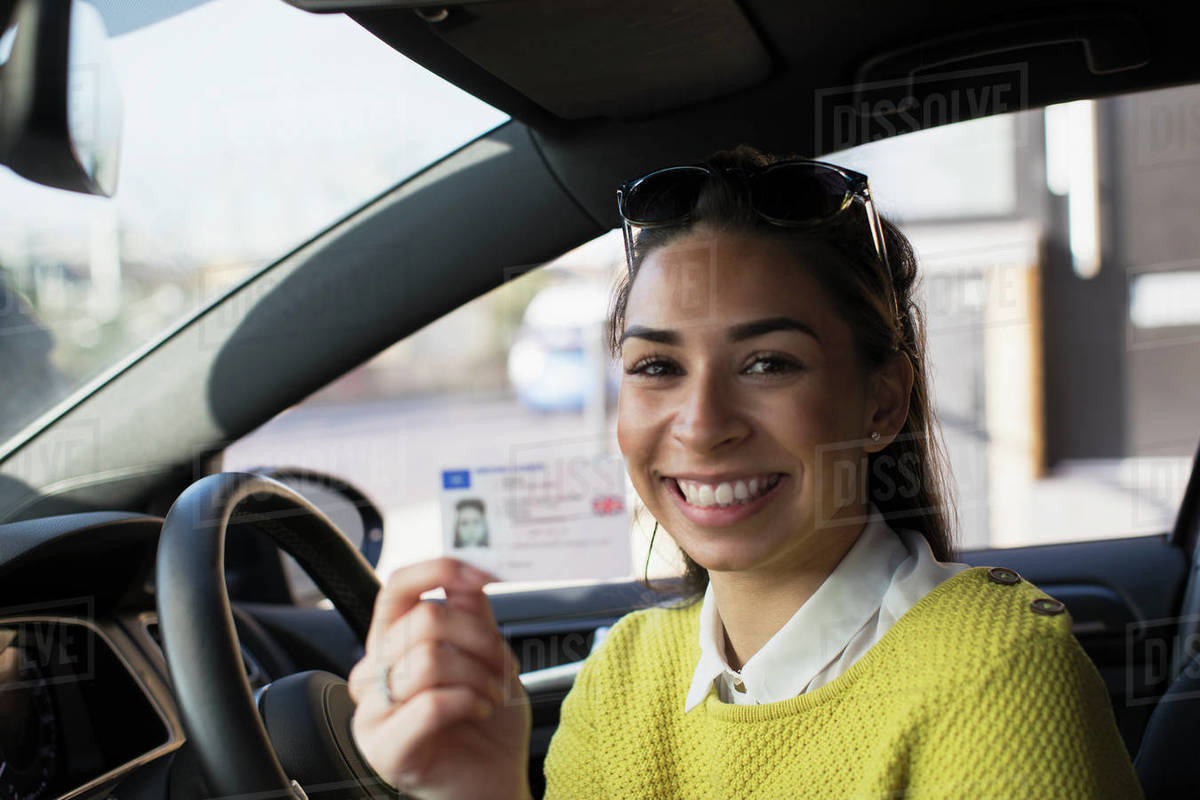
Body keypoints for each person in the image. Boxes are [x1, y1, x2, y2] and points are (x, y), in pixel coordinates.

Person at [346, 146, 1144, 799]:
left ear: (881, 402)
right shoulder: (622, 672)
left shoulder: (994, 670)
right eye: (656, 366)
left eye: (767, 363)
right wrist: (474, 789)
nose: (701, 424)